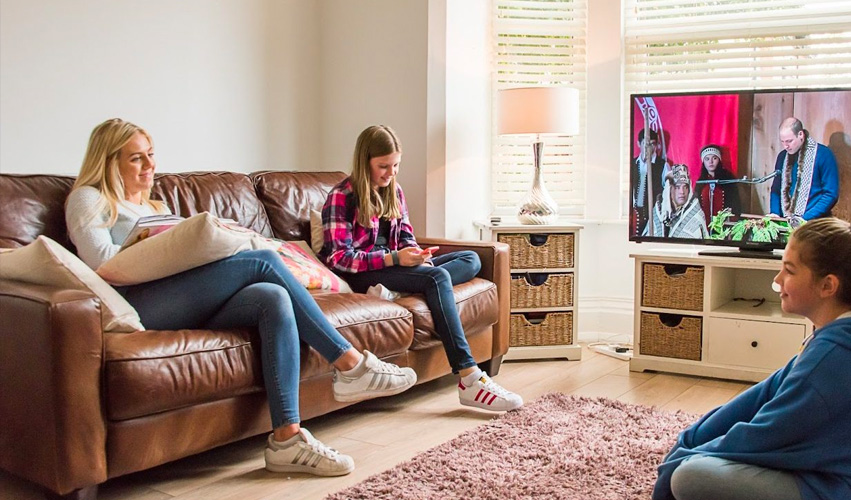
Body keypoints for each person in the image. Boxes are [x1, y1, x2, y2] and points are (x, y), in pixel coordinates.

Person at [65, 118, 419, 478]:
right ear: (109, 162)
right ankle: (349, 363)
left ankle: (287, 439)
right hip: (140, 303)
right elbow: (102, 265)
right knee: (263, 261)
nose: (150, 165)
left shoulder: (153, 207)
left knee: (272, 298)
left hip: (184, 294)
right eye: (137, 158)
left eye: (151, 155)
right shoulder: (88, 199)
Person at [652, 217, 851, 500]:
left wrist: (682, 460)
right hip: (843, 477)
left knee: (690, 477)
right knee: (693, 460)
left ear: (827, 286)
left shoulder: (836, 358)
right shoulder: (849, 333)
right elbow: (759, 398)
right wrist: (690, 438)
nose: (777, 280)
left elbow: (762, 437)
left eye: (789, 271)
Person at [320, 125, 523, 412]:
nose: (391, 173)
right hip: (364, 271)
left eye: (395, 165)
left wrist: (417, 254)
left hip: (395, 266)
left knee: (470, 260)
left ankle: (400, 288)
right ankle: (469, 377)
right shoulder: (342, 196)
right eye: (383, 166)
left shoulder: (395, 191)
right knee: (438, 277)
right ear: (364, 162)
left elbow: (404, 234)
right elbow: (340, 258)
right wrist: (395, 259)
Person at [768, 117, 839, 226]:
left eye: (789, 141)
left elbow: (830, 194)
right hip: (785, 222)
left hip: (814, 224)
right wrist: (775, 213)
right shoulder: (782, 157)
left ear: (800, 134)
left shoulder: (824, 154)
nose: (785, 146)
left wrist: (805, 219)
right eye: (782, 142)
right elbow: (776, 189)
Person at [644, 164, 708, 239]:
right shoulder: (658, 211)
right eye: (677, 187)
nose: (682, 192)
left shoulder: (696, 214)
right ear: (669, 189)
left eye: (685, 187)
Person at [631, 128, 670, 236]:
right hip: (633, 217)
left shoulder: (663, 166)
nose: (649, 148)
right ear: (639, 144)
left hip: (653, 217)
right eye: (646, 144)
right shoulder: (631, 164)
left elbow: (668, 192)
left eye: (653, 144)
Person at [694, 144, 741, 225]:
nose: (710, 162)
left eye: (714, 158)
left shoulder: (728, 179)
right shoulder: (700, 182)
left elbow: (735, 205)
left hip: (724, 225)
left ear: (719, 160)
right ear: (703, 162)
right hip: (704, 226)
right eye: (707, 159)